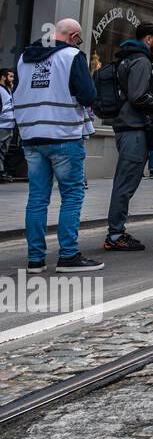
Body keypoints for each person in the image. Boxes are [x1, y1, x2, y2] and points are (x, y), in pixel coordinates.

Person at [13, 19, 100, 272]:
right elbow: (87, 95)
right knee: (72, 195)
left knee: (37, 198)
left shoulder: (23, 59)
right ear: (73, 36)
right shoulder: (72, 56)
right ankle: (68, 256)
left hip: (31, 137)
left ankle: (35, 260)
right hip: (63, 135)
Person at [105, 21, 153, 252]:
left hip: (126, 126)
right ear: (149, 39)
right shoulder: (141, 61)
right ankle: (115, 235)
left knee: (124, 182)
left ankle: (116, 232)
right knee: (125, 183)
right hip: (133, 129)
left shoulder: (128, 58)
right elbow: (137, 97)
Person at [0, 66, 15, 183]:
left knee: (3, 151)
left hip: (9, 126)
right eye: (10, 76)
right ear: (3, 77)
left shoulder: (8, 89)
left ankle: (2, 171)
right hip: (2, 126)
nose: (12, 79)